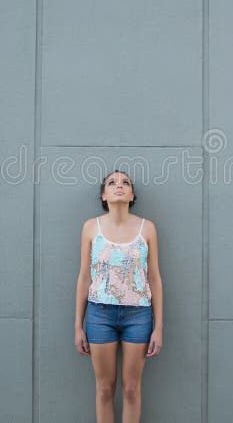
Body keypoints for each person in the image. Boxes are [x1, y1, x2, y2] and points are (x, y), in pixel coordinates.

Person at [74, 170, 163, 423]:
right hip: (100, 315)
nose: (119, 185)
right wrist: (78, 325)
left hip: (139, 316)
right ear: (104, 195)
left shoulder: (148, 229)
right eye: (112, 183)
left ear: (132, 194)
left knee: (131, 388)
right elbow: (83, 277)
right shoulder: (91, 228)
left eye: (125, 183)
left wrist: (158, 327)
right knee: (104, 389)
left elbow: (154, 278)